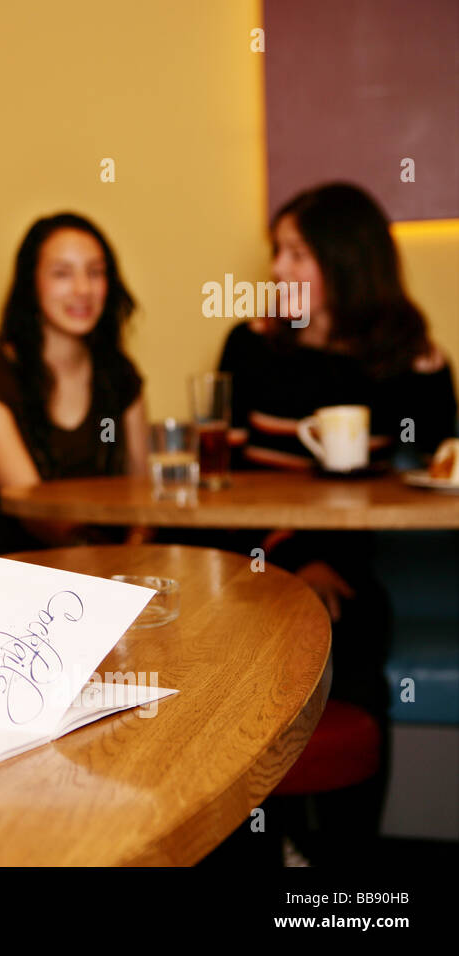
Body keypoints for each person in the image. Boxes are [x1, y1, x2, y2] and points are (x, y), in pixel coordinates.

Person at [214, 181, 457, 862]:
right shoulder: (252, 346)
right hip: (254, 560)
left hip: (347, 568)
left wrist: (432, 368)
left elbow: (439, 452)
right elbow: (221, 489)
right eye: (277, 253)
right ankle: (267, 844)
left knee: (353, 650)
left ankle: (344, 864)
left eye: (298, 254)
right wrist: (296, 556)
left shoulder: (388, 357)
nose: (279, 270)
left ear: (345, 262)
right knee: (255, 663)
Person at [0, 213, 148, 555]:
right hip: (25, 574)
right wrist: (109, 571)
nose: (83, 289)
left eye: (95, 272)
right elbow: (37, 513)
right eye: (62, 274)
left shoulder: (120, 375)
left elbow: (144, 493)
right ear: (31, 284)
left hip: (119, 570)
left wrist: (135, 557)